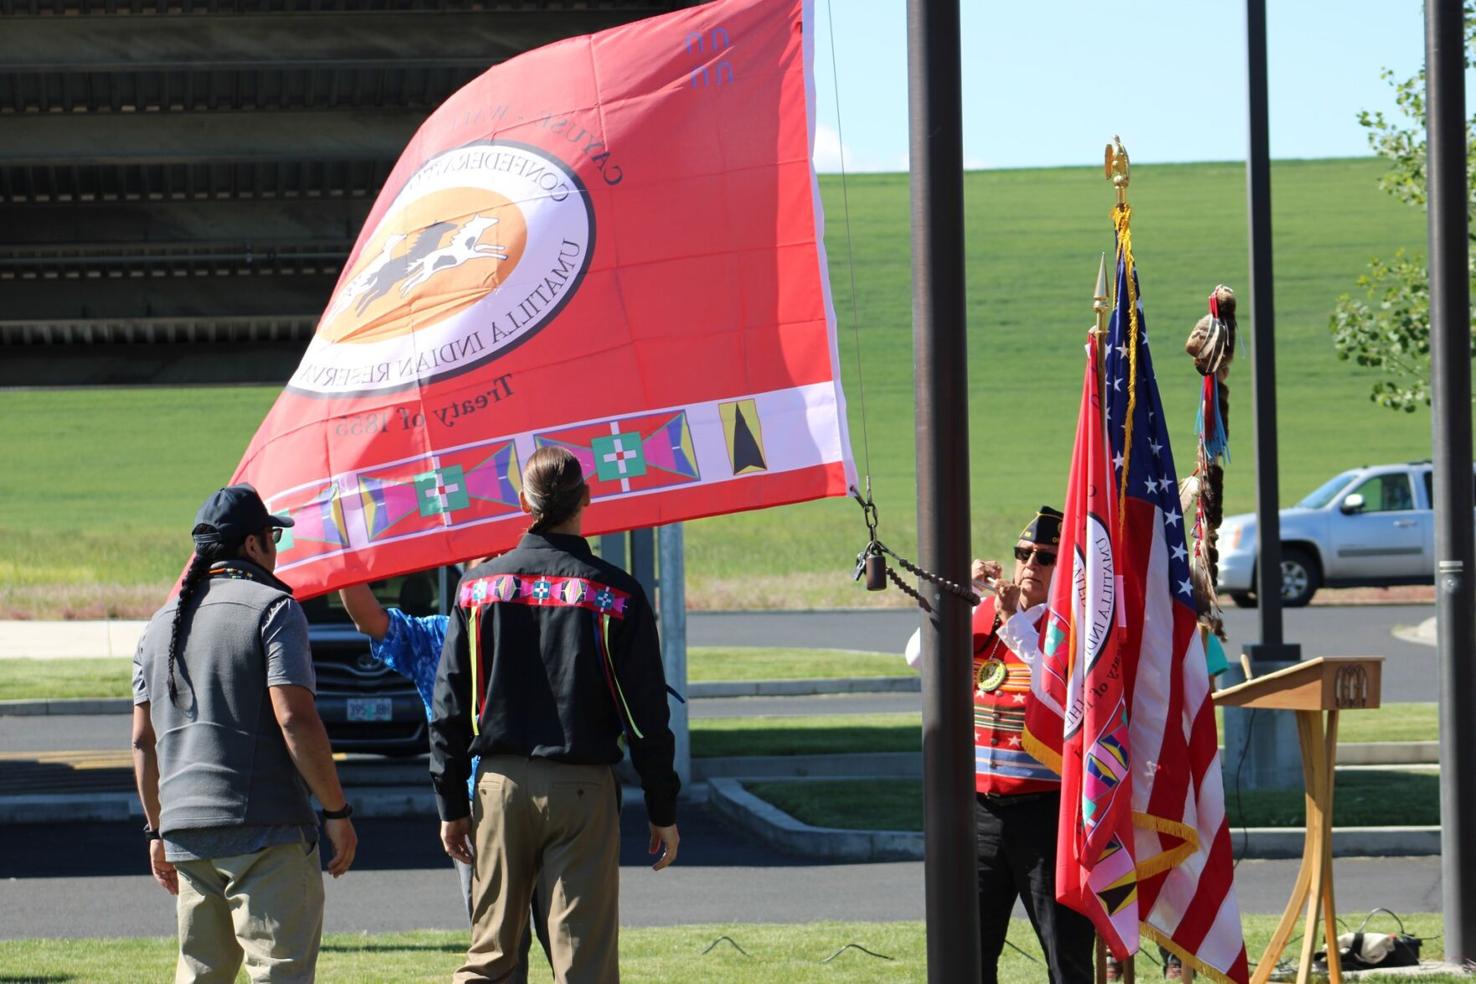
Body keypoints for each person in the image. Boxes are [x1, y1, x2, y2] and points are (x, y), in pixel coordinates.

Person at [430, 446, 681, 984]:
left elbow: (448, 705)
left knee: (490, 958)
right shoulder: (617, 593)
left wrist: (450, 800)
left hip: (497, 788)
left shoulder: (477, 589)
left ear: (524, 503)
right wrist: (662, 805)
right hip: (582, 789)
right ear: (586, 498)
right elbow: (646, 717)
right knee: (582, 961)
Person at [131, 484, 357, 983]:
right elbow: (295, 719)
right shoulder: (275, 609)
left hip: (186, 833)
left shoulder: (157, 625)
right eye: (274, 536)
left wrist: (156, 830)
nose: (277, 547)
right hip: (267, 829)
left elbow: (143, 741)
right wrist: (336, 811)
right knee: (279, 972)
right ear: (253, 545)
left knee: (201, 974)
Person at [337, 573, 552, 981]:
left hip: (543, 795)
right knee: (499, 950)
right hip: (479, 806)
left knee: (565, 939)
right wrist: (344, 558)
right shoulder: (439, 634)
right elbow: (370, 619)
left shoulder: (546, 620)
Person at [970, 506, 1095, 984]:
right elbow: (918, 655)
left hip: (1048, 814)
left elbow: (1059, 690)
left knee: (1066, 955)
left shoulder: (1074, 631)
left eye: (1045, 558)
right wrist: (965, 594)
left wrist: (1012, 623)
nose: (1030, 566)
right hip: (982, 813)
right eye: (1023, 554)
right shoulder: (985, 619)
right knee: (971, 952)